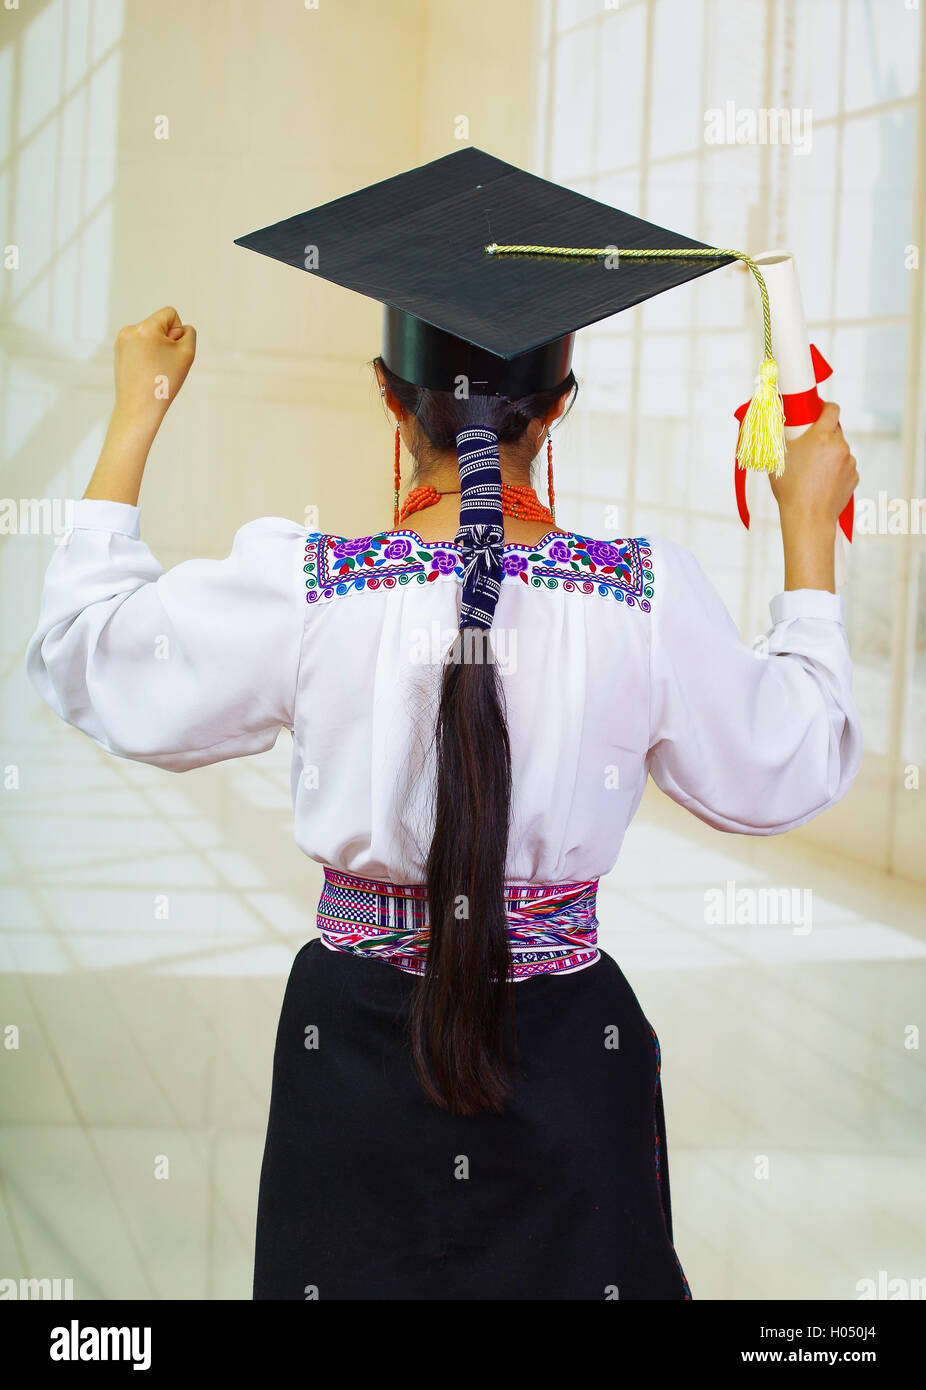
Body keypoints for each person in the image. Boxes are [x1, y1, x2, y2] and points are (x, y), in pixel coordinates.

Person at [25, 152, 861, 1301]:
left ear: (387, 394)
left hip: (350, 1053)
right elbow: (789, 760)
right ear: (556, 409)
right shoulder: (640, 594)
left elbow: (88, 655)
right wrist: (806, 537)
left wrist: (137, 410)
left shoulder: (312, 585)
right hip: (573, 1050)